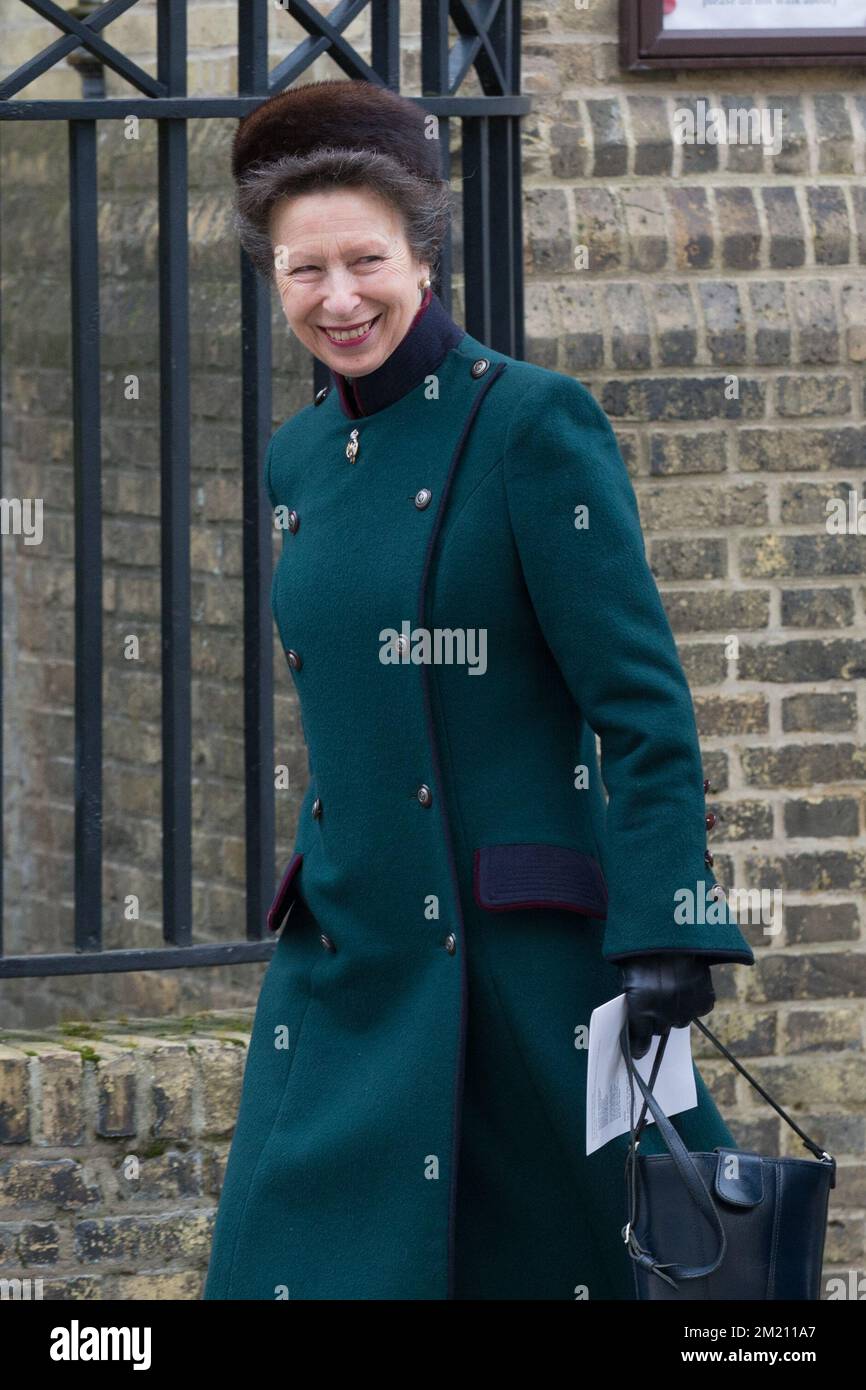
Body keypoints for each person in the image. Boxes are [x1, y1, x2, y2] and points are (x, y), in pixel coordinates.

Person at [203, 78, 754, 1302]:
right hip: (346, 954)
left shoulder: (530, 426)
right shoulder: (299, 454)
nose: (338, 298)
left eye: (365, 261)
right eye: (305, 272)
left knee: (609, 1272)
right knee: (289, 1260)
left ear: (423, 256)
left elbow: (639, 701)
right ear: (273, 279)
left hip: (511, 960)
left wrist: (665, 918)